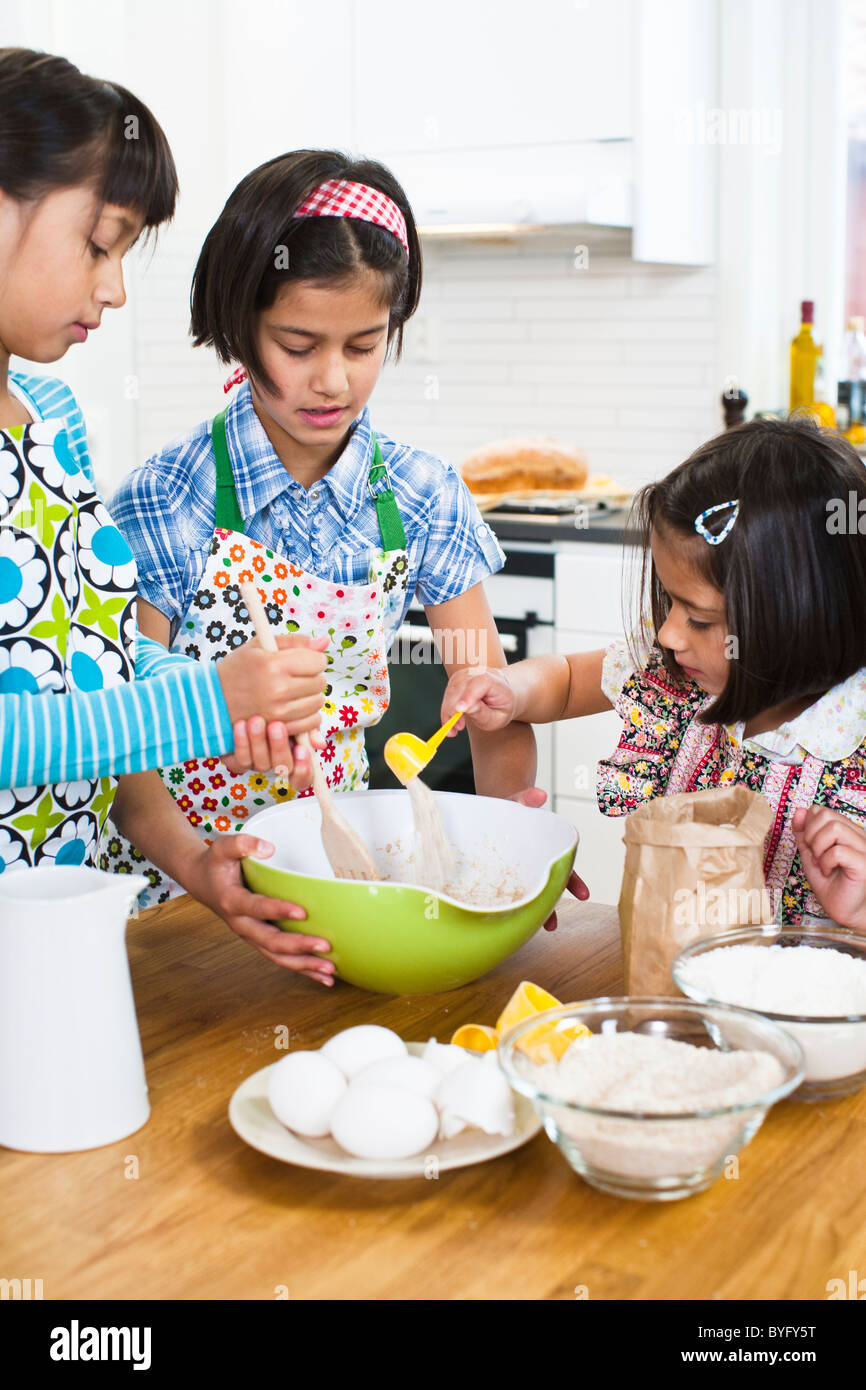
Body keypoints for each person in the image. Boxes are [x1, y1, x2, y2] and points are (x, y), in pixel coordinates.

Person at [109, 147, 539, 904]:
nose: (333, 380)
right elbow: (126, 746)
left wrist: (513, 850)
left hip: (339, 878)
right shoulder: (167, 499)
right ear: (238, 328)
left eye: (364, 345)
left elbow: (488, 696)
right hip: (179, 890)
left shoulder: (422, 497)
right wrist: (204, 876)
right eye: (298, 346)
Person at [0, 47, 337, 984]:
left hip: (88, 941)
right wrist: (201, 702)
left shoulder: (55, 423)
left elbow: (85, 662)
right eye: (99, 243)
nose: (111, 288)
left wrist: (199, 858)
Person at [440, 416, 866, 931]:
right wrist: (510, 688)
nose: (667, 635)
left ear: (801, 614)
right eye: (669, 603)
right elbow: (570, 680)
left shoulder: (853, 741)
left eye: (699, 618)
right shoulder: (676, 676)